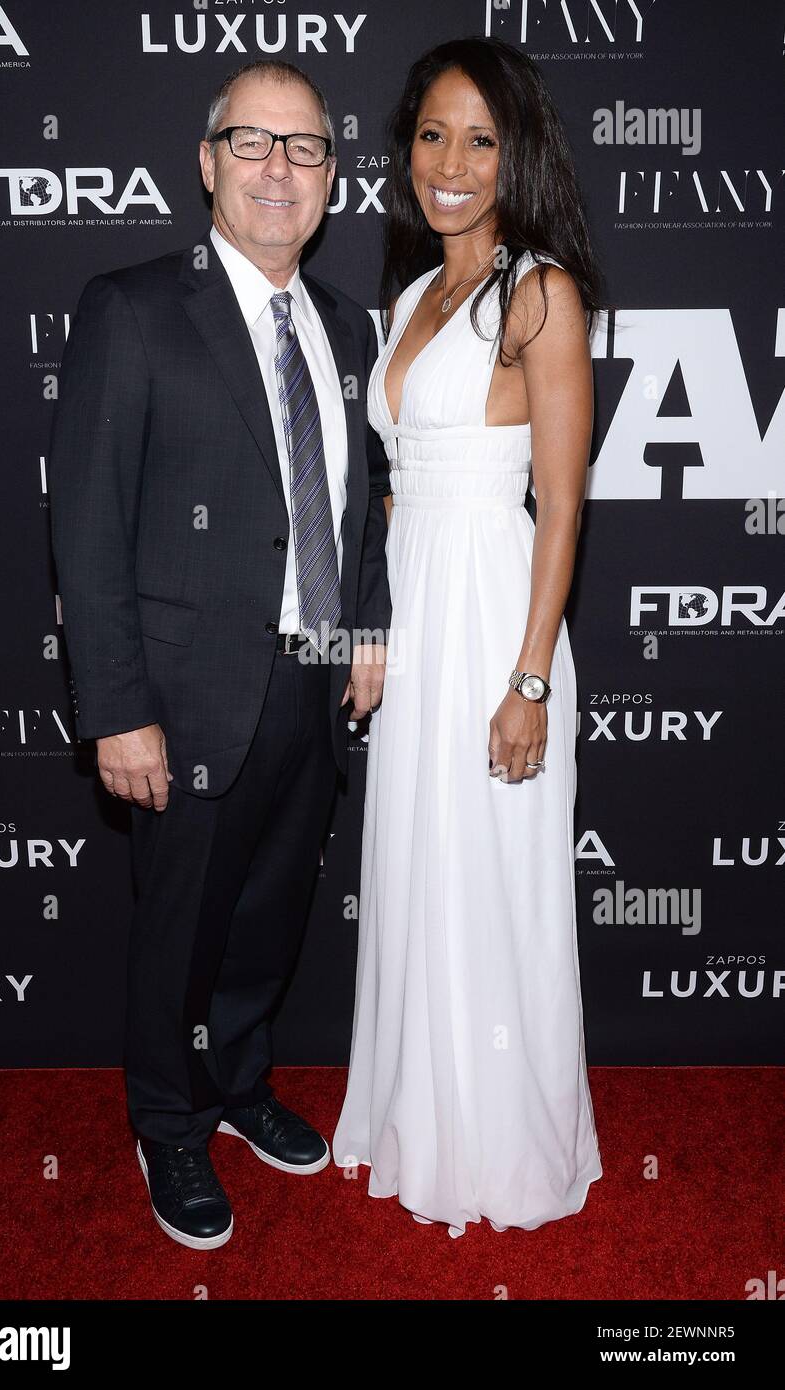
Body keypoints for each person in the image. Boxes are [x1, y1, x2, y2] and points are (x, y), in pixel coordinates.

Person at [48, 59, 391, 1250]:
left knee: (266, 920)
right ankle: (169, 1122)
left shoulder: (350, 327)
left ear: (331, 177)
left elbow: (355, 512)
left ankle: (237, 1084)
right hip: (183, 698)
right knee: (179, 927)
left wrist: (361, 635)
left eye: (303, 149)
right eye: (252, 144)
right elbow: (85, 524)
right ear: (206, 164)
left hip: (310, 684)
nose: (278, 170)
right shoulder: (134, 307)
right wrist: (116, 705)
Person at [332, 37, 606, 1236]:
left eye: (479, 139)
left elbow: (560, 499)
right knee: (417, 868)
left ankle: (498, 1143)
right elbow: (394, 483)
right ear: (404, 151)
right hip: (414, 613)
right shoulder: (408, 298)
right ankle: (415, 1112)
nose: (450, 162)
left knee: (494, 880)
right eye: (431, 135)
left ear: (517, 155)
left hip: (496, 613)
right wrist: (371, 623)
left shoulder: (539, 290)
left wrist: (529, 676)